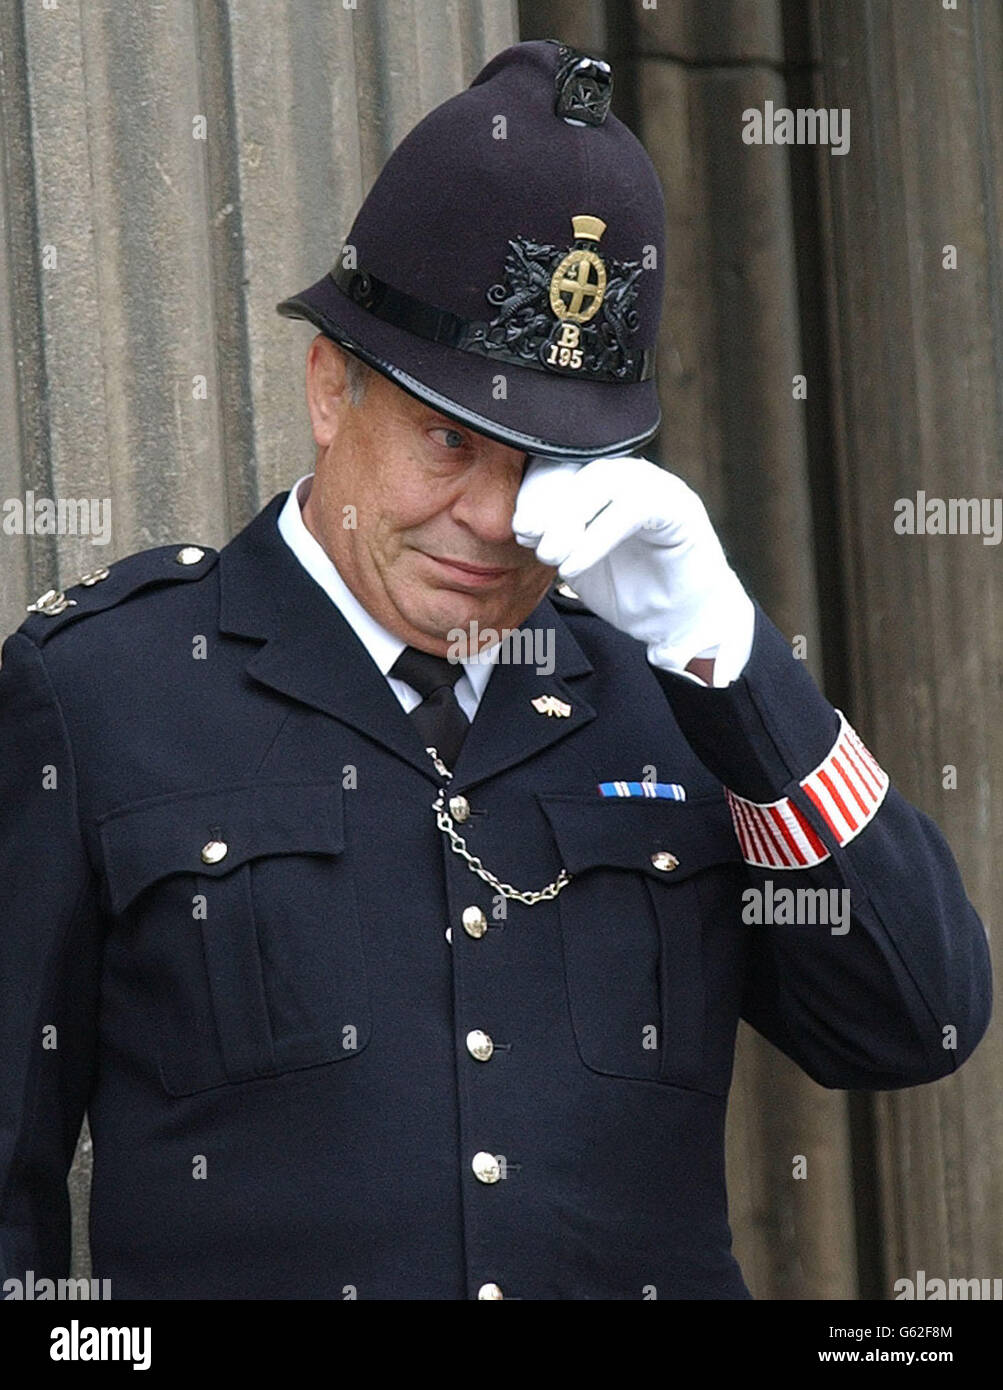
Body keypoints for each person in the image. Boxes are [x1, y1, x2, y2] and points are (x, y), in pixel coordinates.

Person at [0, 40, 991, 1301]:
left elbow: (919, 1021)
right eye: (449, 441)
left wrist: (735, 663)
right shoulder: (103, 689)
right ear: (328, 389)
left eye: (546, 465)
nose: (491, 516)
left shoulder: (675, 700)